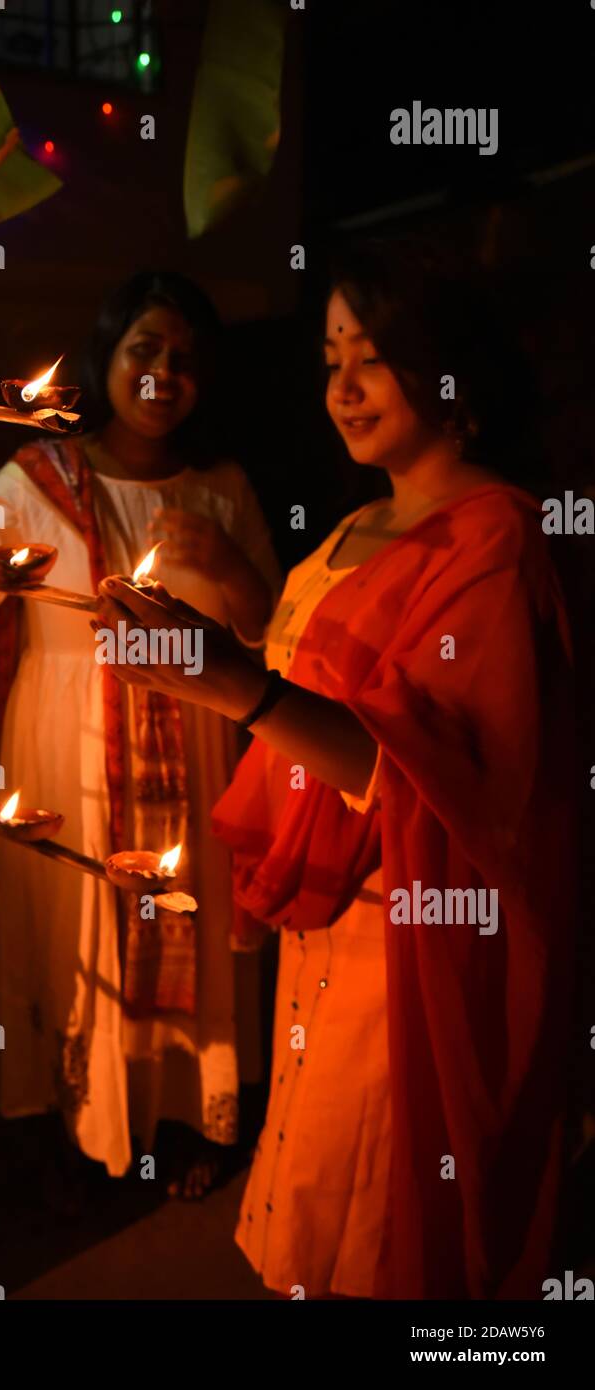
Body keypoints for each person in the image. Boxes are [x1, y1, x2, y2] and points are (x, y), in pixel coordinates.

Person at [94, 242, 576, 1298]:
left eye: (370, 355)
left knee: (375, 1211)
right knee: (317, 1187)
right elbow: (303, 675)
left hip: (407, 935)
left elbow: (446, 776)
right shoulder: (360, 519)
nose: (341, 387)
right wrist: (196, 659)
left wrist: (237, 687)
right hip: (328, 929)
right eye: (327, 358)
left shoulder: (493, 542)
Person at [0, 271, 280, 1202]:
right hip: (70, 749)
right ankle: (83, 1120)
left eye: (185, 360)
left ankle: (181, 1114)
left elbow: (270, 636)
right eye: (144, 350)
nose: (164, 373)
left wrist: (234, 566)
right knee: (76, 934)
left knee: (186, 928)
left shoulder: (222, 489)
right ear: (107, 355)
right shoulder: (38, 479)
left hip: (197, 754)